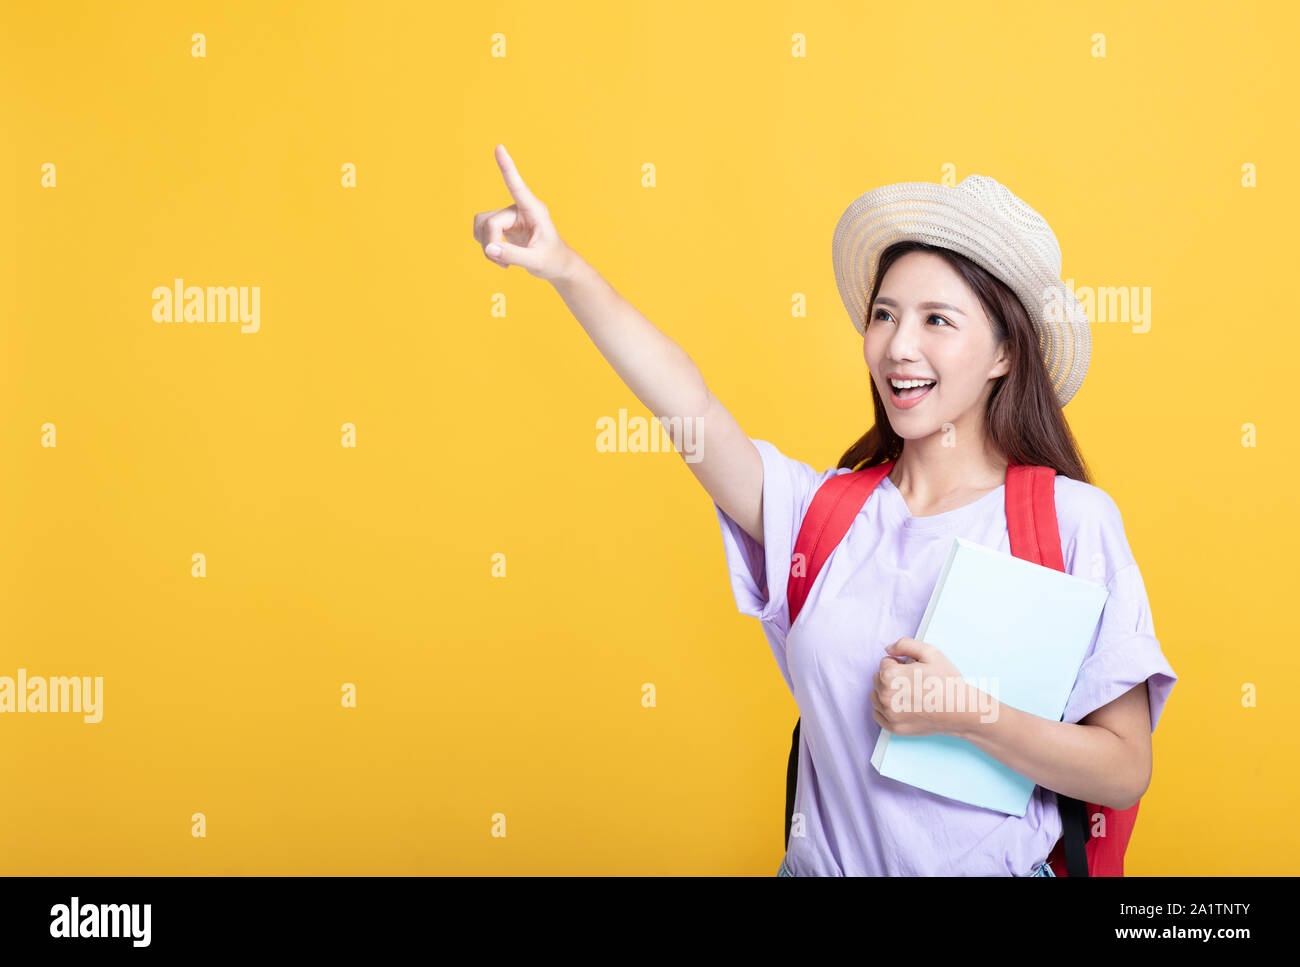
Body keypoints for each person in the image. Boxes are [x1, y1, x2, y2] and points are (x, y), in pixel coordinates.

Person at [471, 146, 1177, 876]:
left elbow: (1123, 768)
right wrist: (567, 268)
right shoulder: (821, 518)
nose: (899, 346)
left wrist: (967, 712)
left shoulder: (1069, 521)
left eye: (938, 319)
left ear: (1004, 352)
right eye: (884, 314)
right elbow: (688, 405)